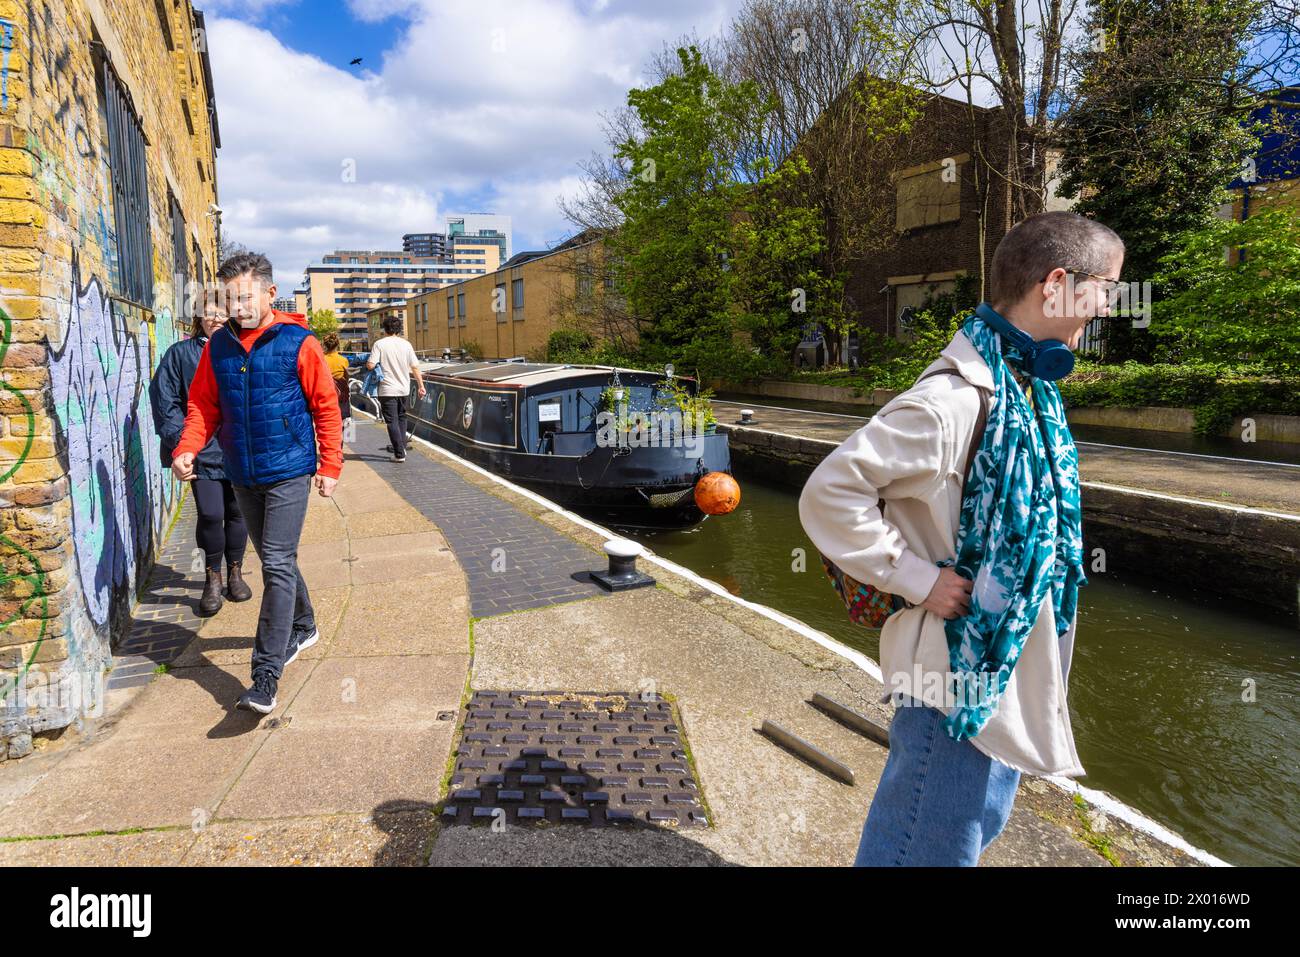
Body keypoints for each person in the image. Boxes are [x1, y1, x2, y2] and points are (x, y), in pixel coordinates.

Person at [799, 211, 1124, 866]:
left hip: (1002, 680)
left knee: (958, 839)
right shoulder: (955, 401)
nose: (1110, 307)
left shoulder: (1024, 389)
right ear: (1058, 284)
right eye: (1107, 290)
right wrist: (919, 578)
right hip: (955, 686)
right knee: (923, 853)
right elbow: (828, 494)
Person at [171, 253, 344, 715]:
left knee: (276, 564)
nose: (237, 307)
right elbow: (203, 406)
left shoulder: (298, 343)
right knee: (275, 558)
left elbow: (326, 407)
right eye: (229, 299)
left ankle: (265, 674)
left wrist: (330, 466)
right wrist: (187, 447)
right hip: (240, 470)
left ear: (270, 293)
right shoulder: (217, 347)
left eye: (244, 297)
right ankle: (304, 625)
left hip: (289, 469)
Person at [149, 301, 253, 615]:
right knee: (210, 513)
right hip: (202, 450)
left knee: (238, 513)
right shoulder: (179, 355)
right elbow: (164, 399)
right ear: (199, 318)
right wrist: (180, 442)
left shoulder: (241, 350)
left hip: (239, 449)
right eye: (209, 312)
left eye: (222, 312)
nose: (216, 318)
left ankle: (235, 571)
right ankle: (212, 577)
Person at [365, 316, 425, 462]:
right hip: (404, 388)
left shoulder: (379, 344)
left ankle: (399, 454)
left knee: (391, 421)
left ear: (385, 329)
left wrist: (368, 363)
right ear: (398, 329)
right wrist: (421, 386)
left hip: (387, 389)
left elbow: (371, 365)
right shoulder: (406, 345)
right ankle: (402, 446)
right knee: (402, 418)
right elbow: (415, 367)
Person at [321, 332, 352, 427]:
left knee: (328, 422)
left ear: (325, 345)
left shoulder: (321, 359)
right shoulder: (343, 360)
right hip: (341, 395)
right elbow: (347, 378)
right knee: (343, 421)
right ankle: (342, 439)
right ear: (337, 345)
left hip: (326, 394)